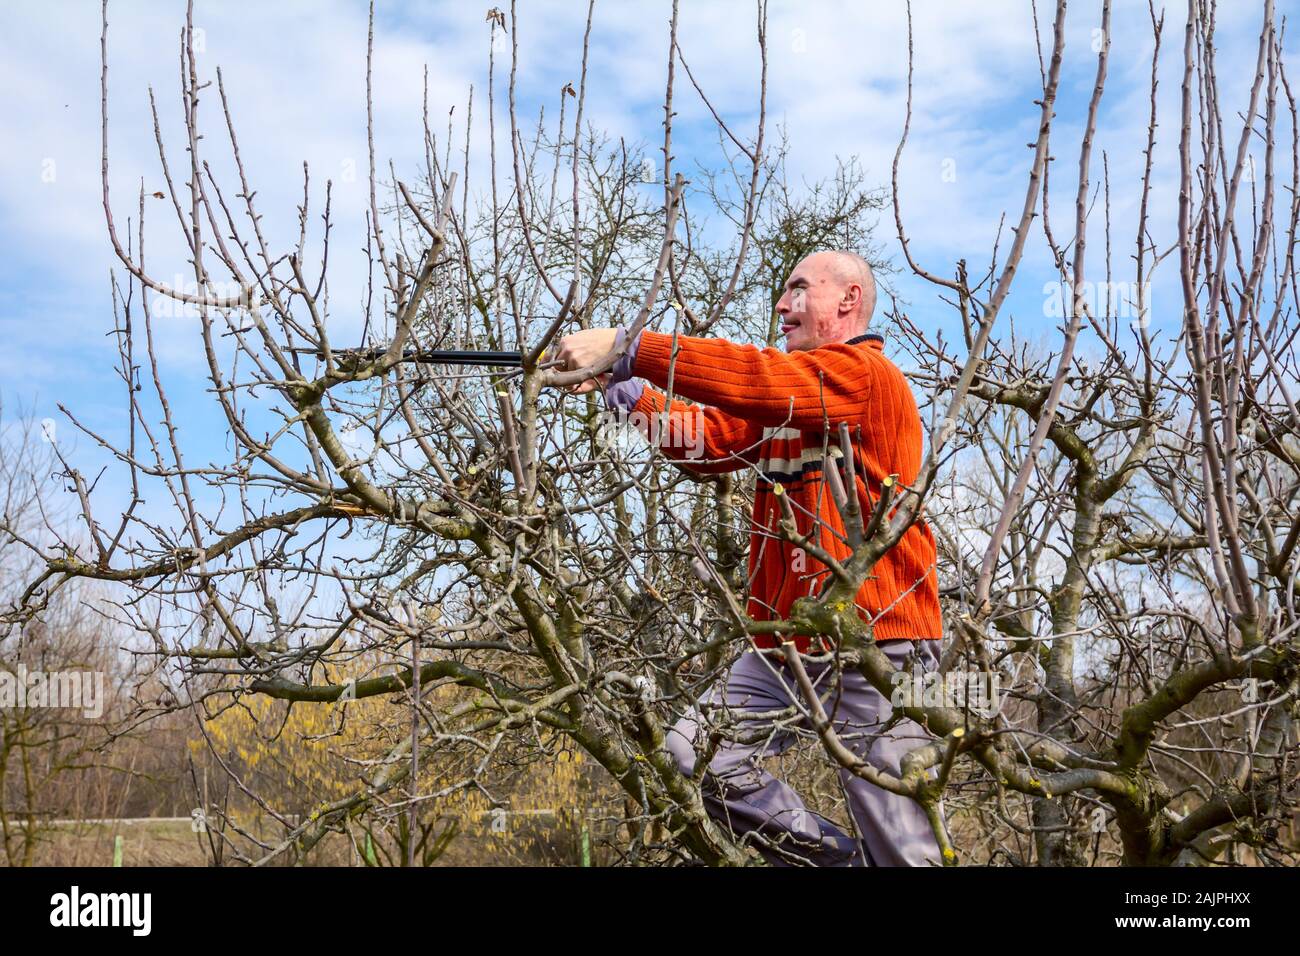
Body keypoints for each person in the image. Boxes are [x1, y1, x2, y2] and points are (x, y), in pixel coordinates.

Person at [554, 250, 944, 866]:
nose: (782, 305)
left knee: (903, 844)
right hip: (784, 645)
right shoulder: (788, 403)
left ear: (847, 299)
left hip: (880, 641)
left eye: (797, 290)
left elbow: (762, 379)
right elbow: (706, 443)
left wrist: (632, 347)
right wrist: (625, 389)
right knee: (695, 756)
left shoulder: (865, 377)